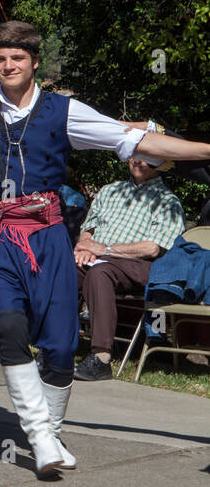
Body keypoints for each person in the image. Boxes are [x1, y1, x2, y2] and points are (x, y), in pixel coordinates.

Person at [0, 19, 210, 474]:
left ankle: (52, 431)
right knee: (9, 326)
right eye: (0, 59)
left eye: (17, 58)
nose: (8, 65)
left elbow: (138, 139)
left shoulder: (66, 111)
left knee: (61, 346)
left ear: (35, 62)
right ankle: (41, 439)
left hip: (47, 236)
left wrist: (204, 149)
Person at [73, 151, 186, 381]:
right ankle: (54, 345)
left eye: (146, 157)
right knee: (65, 269)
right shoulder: (110, 191)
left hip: (140, 265)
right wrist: (84, 246)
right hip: (98, 258)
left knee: (99, 272)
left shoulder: (167, 201)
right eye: (134, 155)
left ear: (160, 164)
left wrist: (104, 249)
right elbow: (88, 229)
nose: (137, 160)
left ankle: (101, 358)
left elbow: (153, 248)